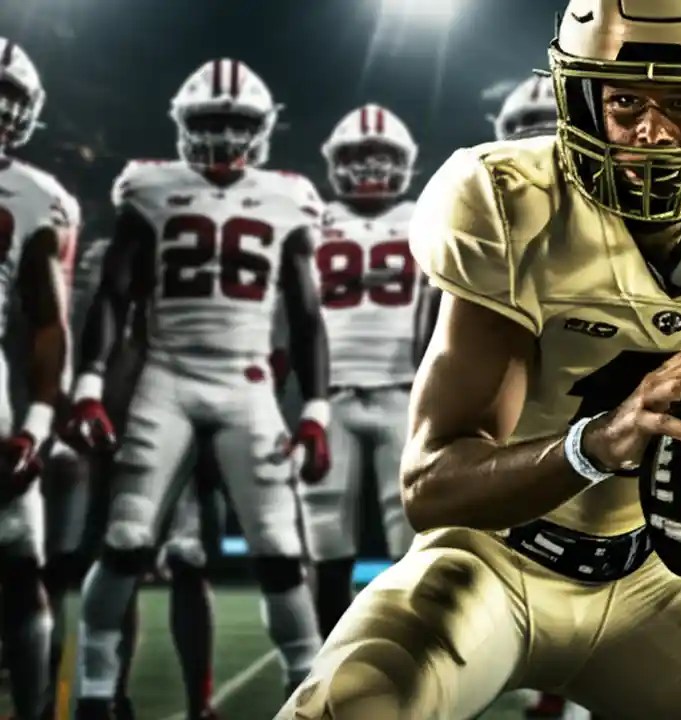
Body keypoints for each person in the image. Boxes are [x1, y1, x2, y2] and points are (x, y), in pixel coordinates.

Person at [277, 1, 681, 718]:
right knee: (356, 704)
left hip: (652, 580)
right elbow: (431, 487)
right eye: (623, 101)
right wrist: (600, 443)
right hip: (489, 564)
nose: (650, 130)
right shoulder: (510, 202)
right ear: (581, 97)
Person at [61, 58, 330, 718]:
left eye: (234, 123)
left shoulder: (287, 194)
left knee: (278, 549)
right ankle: (97, 688)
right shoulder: (149, 188)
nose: (221, 135)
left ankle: (313, 689)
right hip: (168, 375)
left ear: (261, 129)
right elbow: (114, 293)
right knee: (126, 540)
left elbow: (304, 314)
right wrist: (91, 385)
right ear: (183, 124)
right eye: (209, 121)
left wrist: (317, 409)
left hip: (246, 382)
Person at [304, 102, 437, 638]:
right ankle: (327, 653)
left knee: (412, 527)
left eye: (380, 156)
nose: (367, 168)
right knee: (325, 529)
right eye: (357, 157)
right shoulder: (311, 218)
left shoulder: (425, 217)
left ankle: (408, 646)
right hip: (330, 392)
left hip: (405, 390)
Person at [0, 36, 80, 720]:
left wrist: (35, 424)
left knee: (20, 568)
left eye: (8, 99)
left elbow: (48, 322)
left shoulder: (34, 197)